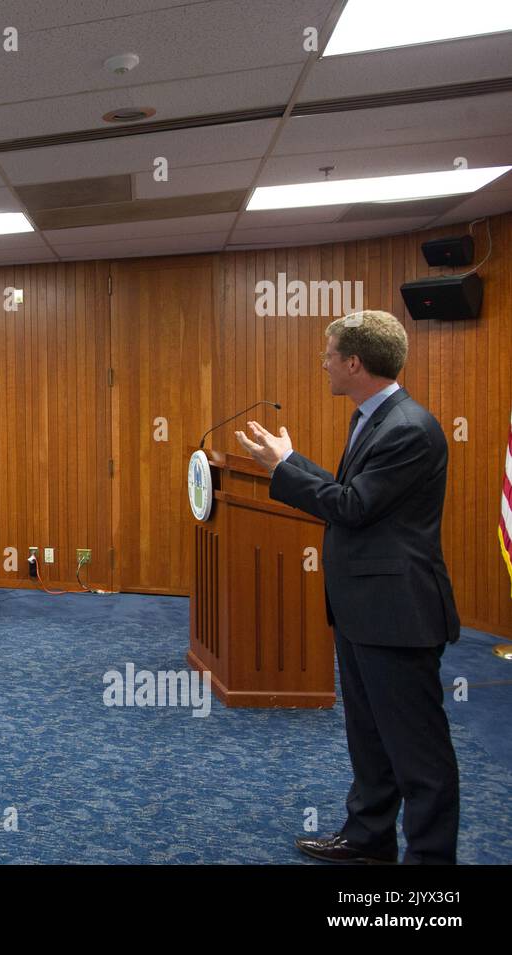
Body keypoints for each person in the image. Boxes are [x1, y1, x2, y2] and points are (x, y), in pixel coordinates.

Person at [235, 309, 460, 866]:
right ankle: (368, 838)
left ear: (354, 362)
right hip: (366, 609)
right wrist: (290, 462)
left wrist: (283, 467)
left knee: (418, 754)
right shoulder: (376, 417)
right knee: (370, 737)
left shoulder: (407, 426)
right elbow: (352, 491)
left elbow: (353, 508)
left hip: (397, 614)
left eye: (329, 354)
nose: (323, 364)